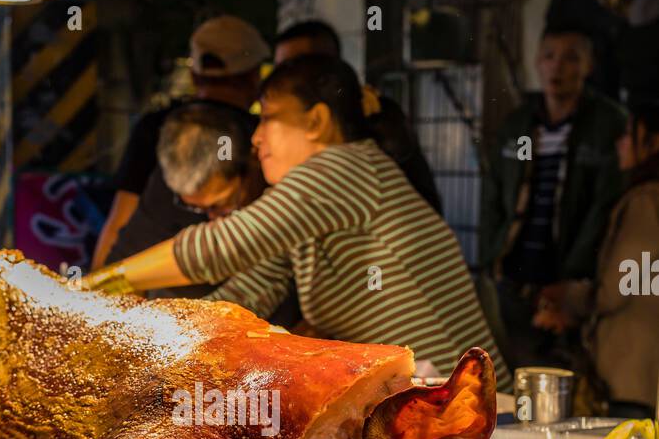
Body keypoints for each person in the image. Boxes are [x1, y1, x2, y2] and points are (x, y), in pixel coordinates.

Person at [85, 54, 509, 387]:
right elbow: (244, 296)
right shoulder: (311, 208)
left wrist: (96, 287)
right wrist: (146, 346)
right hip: (430, 401)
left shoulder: (347, 167)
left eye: (268, 118)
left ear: (316, 121)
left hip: (467, 402)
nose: (256, 137)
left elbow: (220, 248)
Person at [479, 26, 626, 370]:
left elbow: (605, 208)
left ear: (588, 66)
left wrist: (575, 280)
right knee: (513, 380)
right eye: (549, 56)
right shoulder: (518, 124)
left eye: (571, 58)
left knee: (568, 381)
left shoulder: (608, 125)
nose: (558, 67)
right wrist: (491, 257)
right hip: (513, 281)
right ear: (537, 63)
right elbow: (493, 195)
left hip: (572, 286)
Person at [91, 14, 270, 269]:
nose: (211, 218)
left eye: (220, 205)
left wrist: (94, 291)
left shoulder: (155, 126)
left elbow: (119, 219)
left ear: (194, 76)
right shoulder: (262, 135)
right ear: (254, 78)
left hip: (178, 290)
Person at [535, 101, 659, 418]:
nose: (620, 143)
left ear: (653, 142)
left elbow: (617, 290)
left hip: (631, 370)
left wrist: (568, 298)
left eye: (629, 135)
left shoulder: (645, 202)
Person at [275, 18, 443, 213]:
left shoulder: (374, 114)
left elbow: (421, 200)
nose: (284, 78)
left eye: (298, 66)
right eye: (282, 68)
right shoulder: (278, 124)